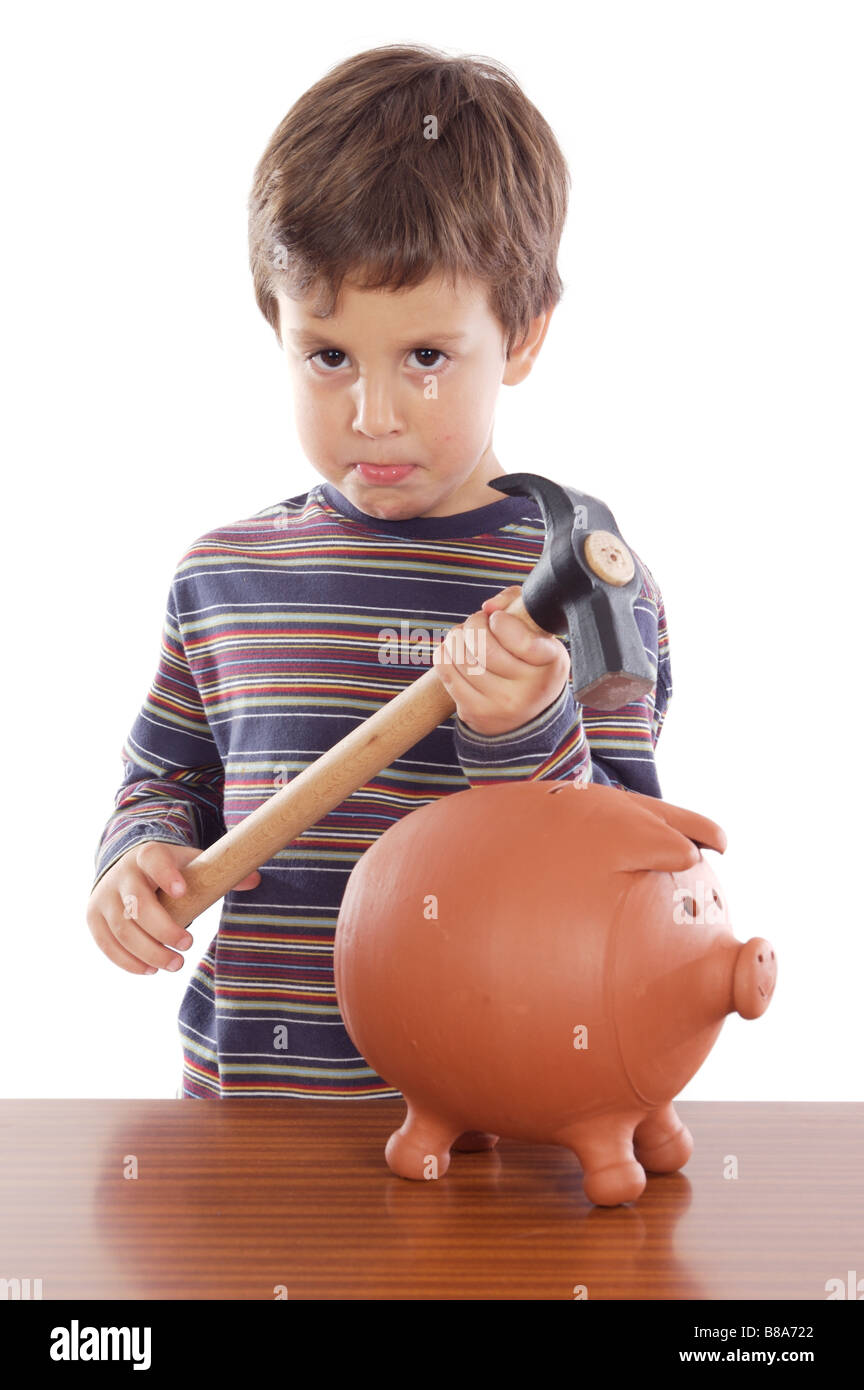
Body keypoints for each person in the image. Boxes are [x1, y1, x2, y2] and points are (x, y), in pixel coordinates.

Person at [86, 44, 673, 1099]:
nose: (373, 414)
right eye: (328, 356)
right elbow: (167, 780)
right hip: (257, 1117)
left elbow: (632, 880)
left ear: (525, 334)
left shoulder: (583, 589)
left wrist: (527, 730)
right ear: (277, 325)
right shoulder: (223, 578)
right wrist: (140, 858)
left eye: (428, 358)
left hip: (499, 1127)